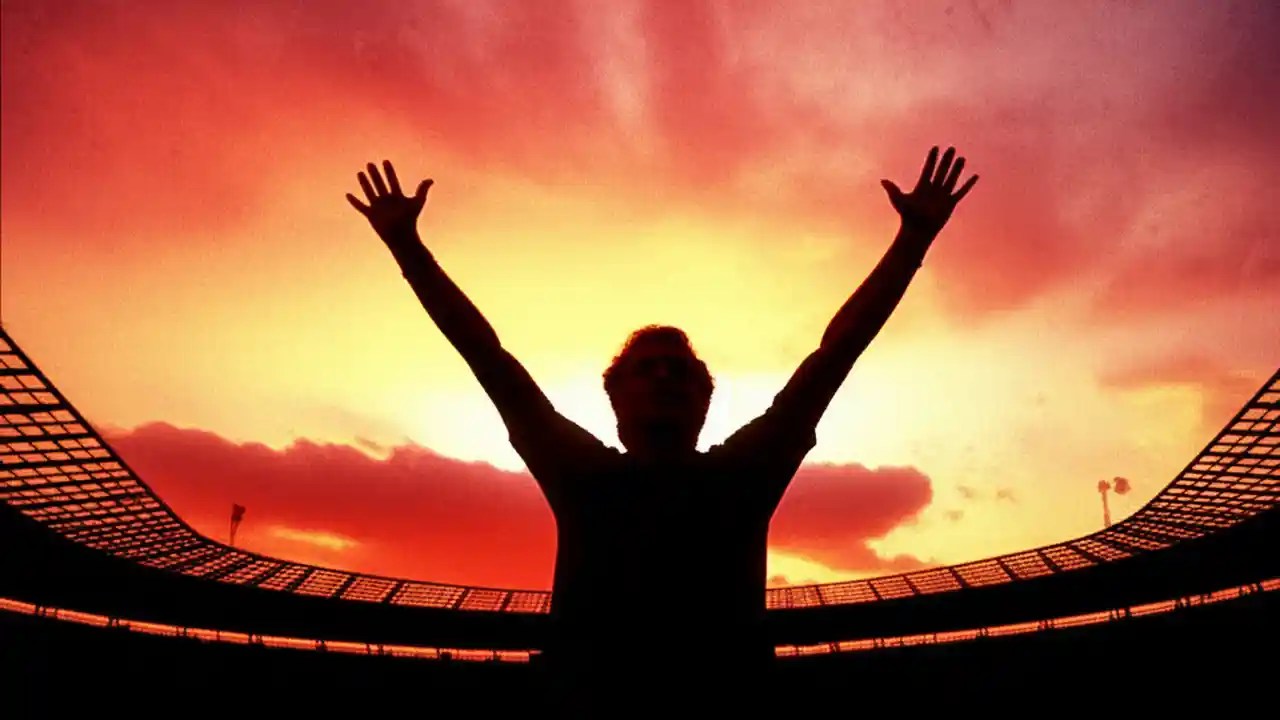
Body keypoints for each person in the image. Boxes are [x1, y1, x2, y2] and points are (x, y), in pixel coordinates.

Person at [346, 147, 977, 714]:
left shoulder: (742, 475)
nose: (665, 376)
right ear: (613, 395)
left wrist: (911, 242)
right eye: (646, 369)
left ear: (707, 398)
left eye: (681, 369)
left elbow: (832, 356)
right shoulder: (582, 474)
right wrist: (409, 251)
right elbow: (490, 359)